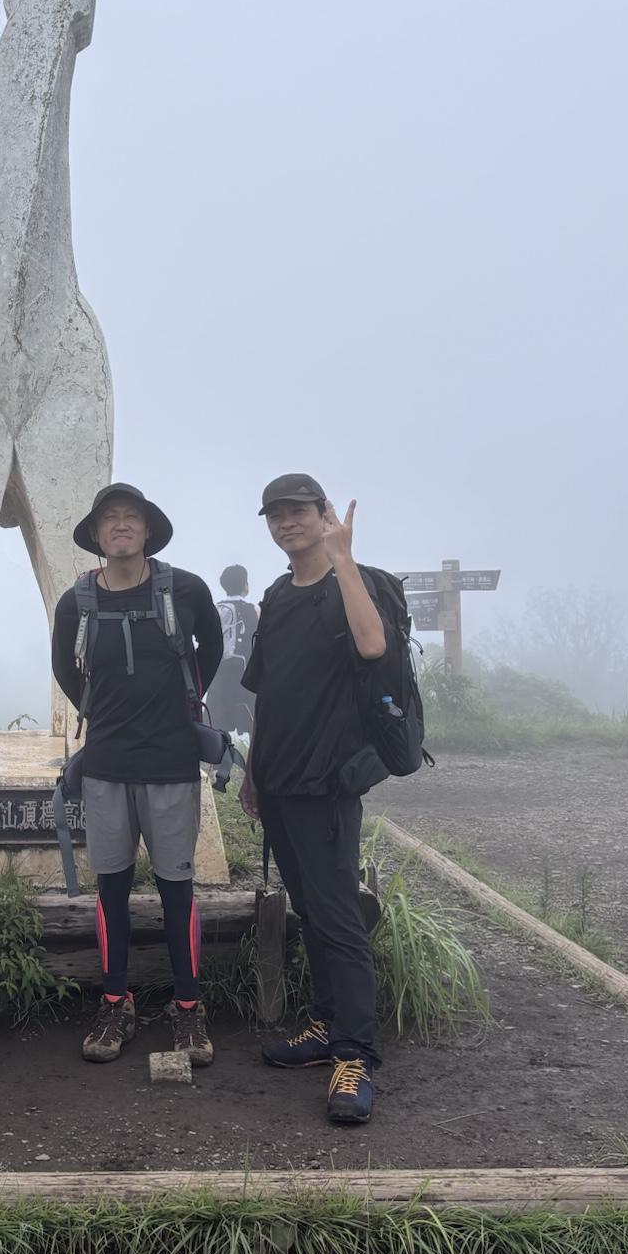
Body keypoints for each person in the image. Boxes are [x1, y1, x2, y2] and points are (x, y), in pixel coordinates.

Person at [239, 473, 397, 1126]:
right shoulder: (277, 596)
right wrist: (253, 770)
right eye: (275, 514)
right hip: (279, 780)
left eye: (298, 511)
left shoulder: (353, 583)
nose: (286, 522)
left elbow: (373, 645)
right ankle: (328, 1025)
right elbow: (266, 693)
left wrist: (344, 558)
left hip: (327, 783)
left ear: (323, 513)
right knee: (310, 910)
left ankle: (355, 1056)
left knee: (337, 916)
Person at [51, 483, 224, 1068]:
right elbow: (65, 669)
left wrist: (180, 704)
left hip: (172, 763)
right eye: (110, 518)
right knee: (111, 891)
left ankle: (188, 1007)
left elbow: (210, 650)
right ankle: (114, 1002)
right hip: (106, 765)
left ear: (148, 530)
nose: (121, 525)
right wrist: (103, 712)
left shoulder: (186, 590)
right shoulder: (76, 603)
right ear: (97, 534)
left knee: (178, 890)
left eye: (132, 517)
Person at [205, 566, 258, 740]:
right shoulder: (253, 610)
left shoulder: (215, 609)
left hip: (219, 673)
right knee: (252, 722)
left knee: (216, 724)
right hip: (244, 672)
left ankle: (219, 757)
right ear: (245, 585)